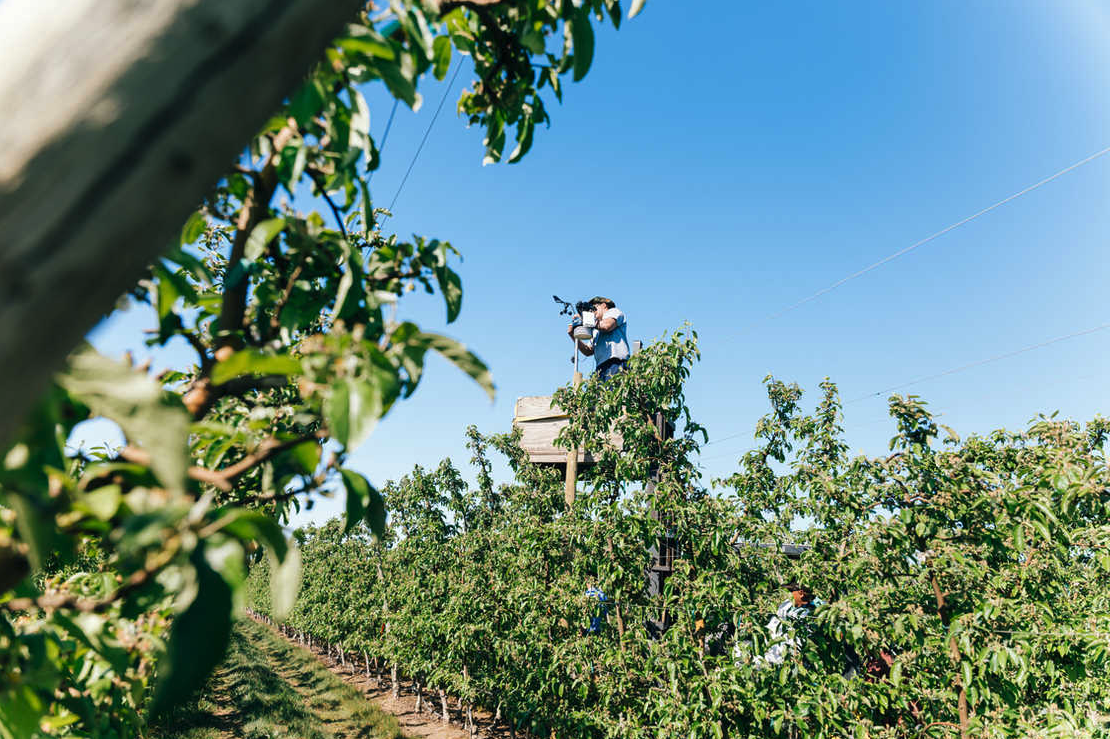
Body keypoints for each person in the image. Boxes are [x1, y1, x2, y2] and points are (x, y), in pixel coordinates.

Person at [754, 581, 820, 666]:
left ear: (801, 593)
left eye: (792, 592)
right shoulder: (786, 604)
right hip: (775, 651)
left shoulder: (811, 610)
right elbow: (773, 627)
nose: (790, 595)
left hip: (792, 654)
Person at [566, 296, 630, 381]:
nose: (592, 312)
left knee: (614, 388)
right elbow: (588, 351)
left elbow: (607, 326)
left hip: (616, 363)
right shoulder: (596, 330)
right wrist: (573, 335)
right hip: (601, 368)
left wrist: (586, 318)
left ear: (604, 305)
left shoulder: (614, 312)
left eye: (594, 308)